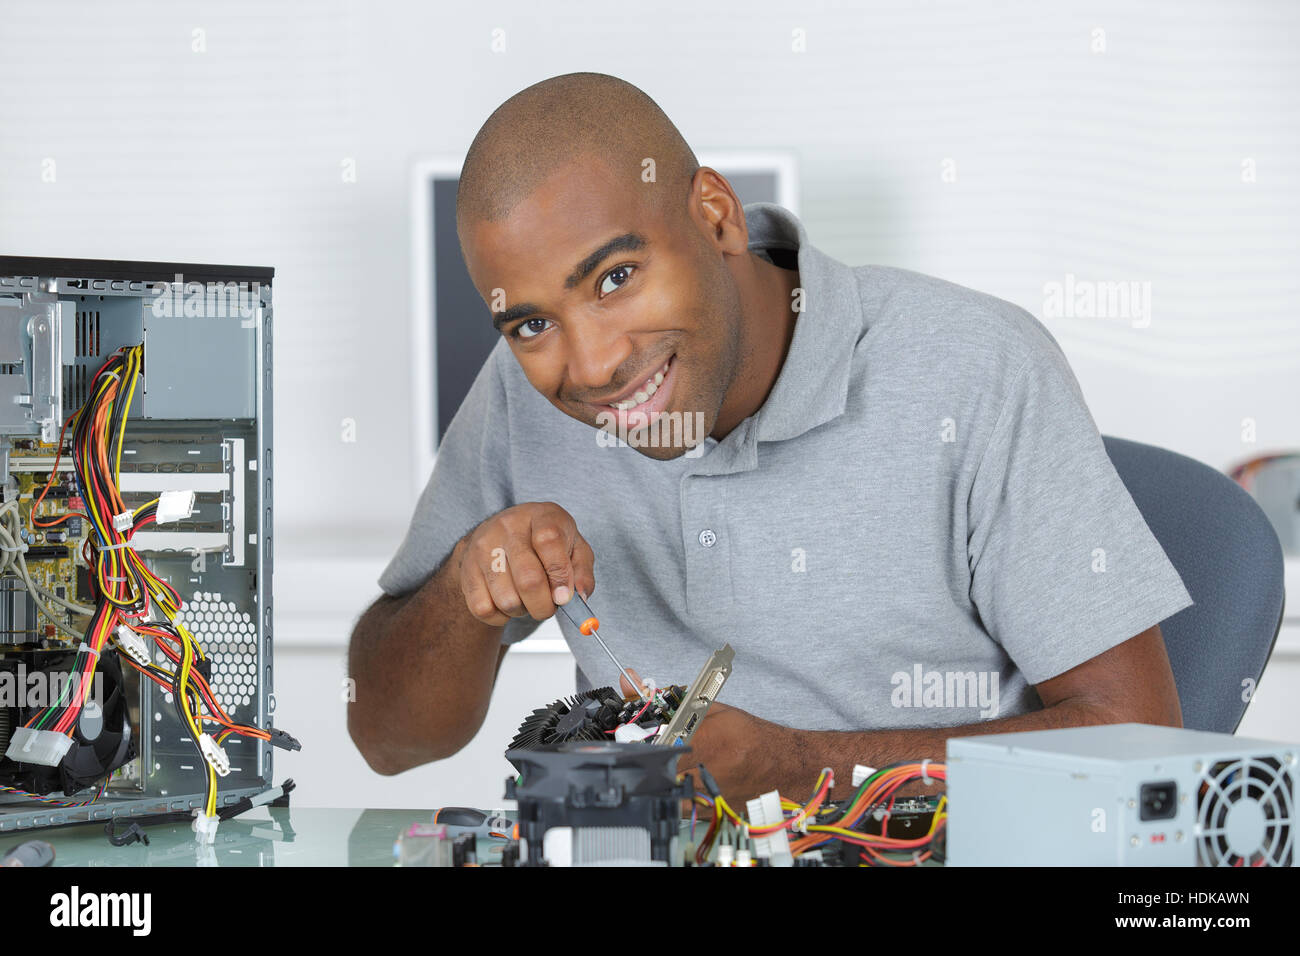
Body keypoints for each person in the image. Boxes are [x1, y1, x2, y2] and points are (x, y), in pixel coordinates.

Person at [347, 72, 1192, 805]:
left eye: (616, 277)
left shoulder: (978, 369)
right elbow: (387, 740)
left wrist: (798, 768)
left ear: (715, 216)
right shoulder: (525, 398)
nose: (594, 365)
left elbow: (1140, 750)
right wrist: (466, 591)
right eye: (531, 323)